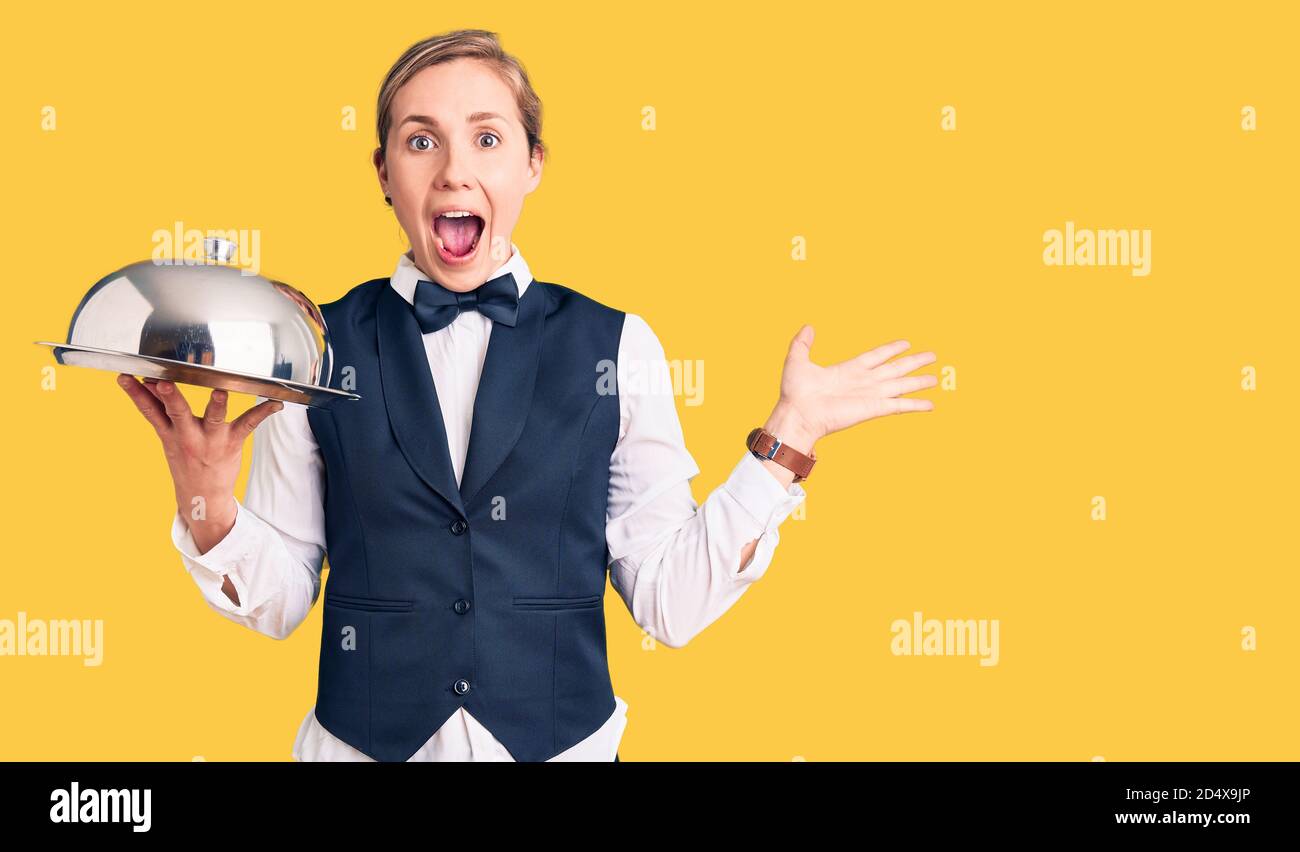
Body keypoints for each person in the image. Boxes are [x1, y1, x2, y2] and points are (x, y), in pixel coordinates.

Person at [116, 29, 938, 762]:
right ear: (383, 173)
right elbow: (283, 600)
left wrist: (788, 440)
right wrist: (205, 500)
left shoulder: (618, 346)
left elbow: (667, 601)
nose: (454, 170)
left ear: (532, 163)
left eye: (486, 138)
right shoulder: (315, 348)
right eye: (420, 141)